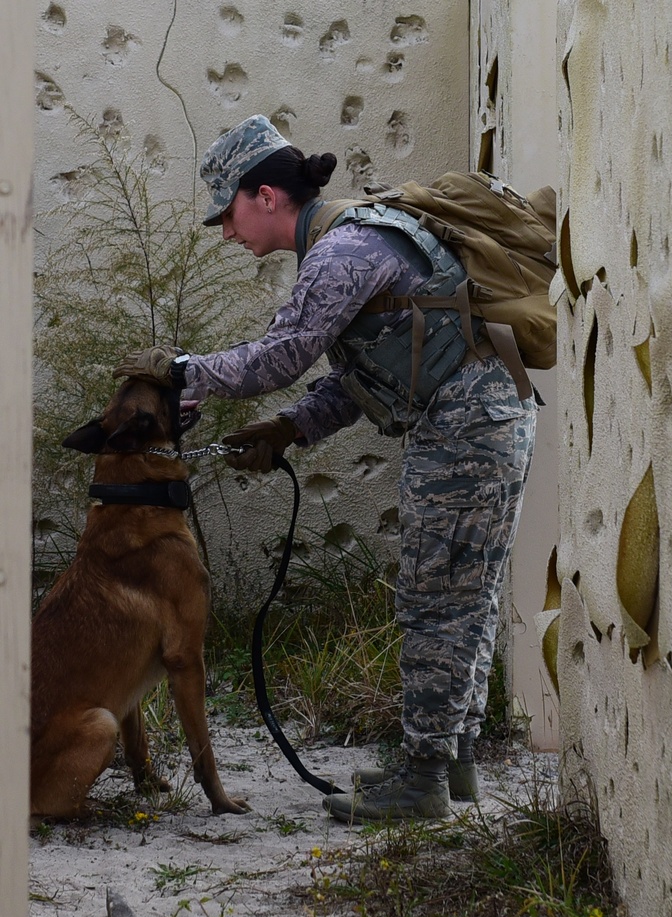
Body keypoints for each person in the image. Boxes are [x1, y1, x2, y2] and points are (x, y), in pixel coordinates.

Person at [114, 114, 536, 824]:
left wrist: (185, 369)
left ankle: (423, 781)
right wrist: (290, 427)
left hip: (467, 429)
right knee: (468, 590)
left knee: (438, 596)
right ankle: (451, 761)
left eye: (228, 212)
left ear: (267, 195)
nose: (225, 232)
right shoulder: (353, 241)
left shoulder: (342, 250)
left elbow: (281, 355)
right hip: (481, 420)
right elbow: (365, 372)